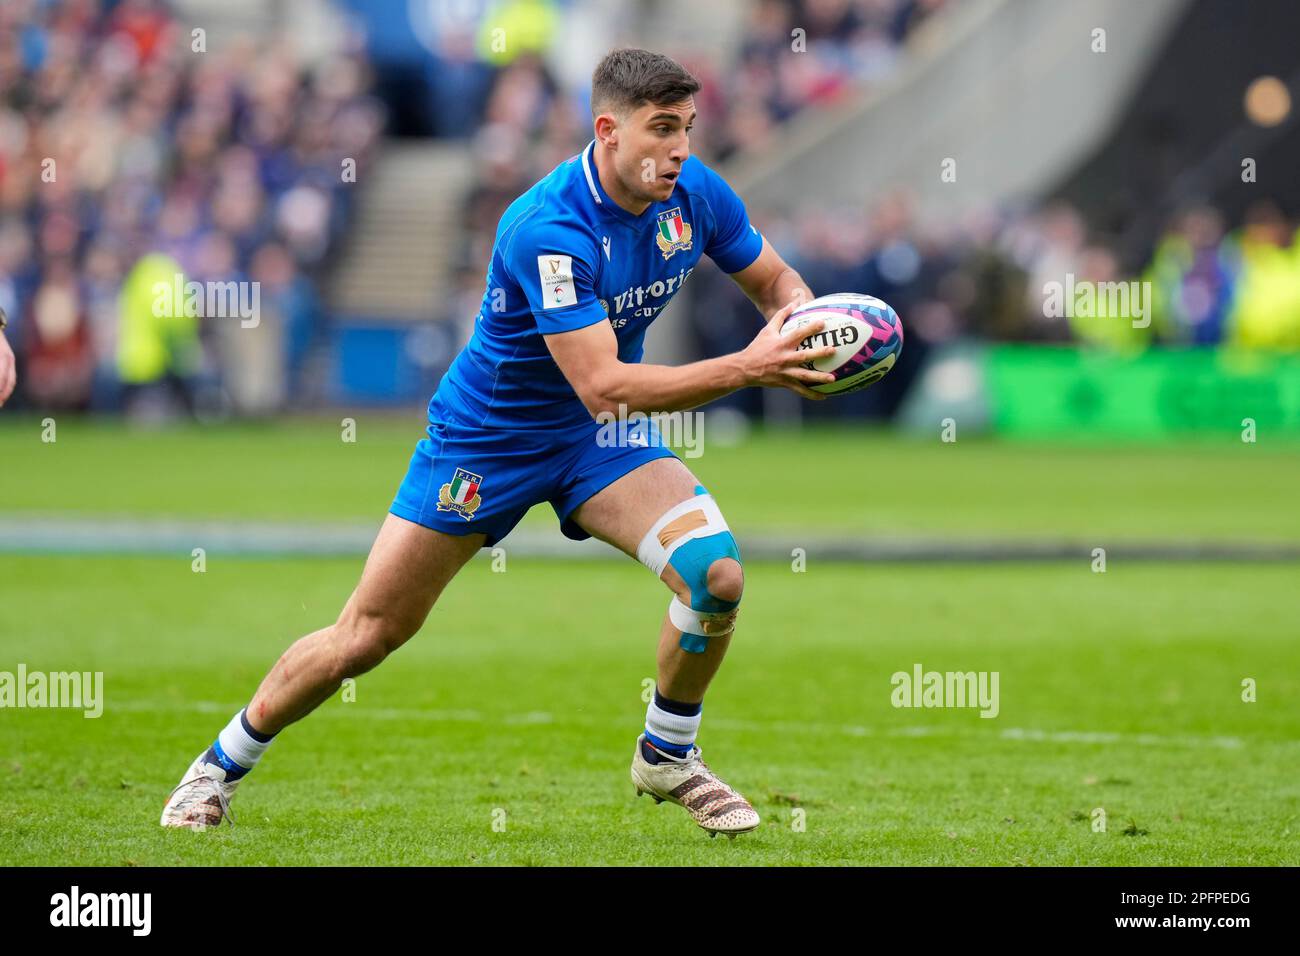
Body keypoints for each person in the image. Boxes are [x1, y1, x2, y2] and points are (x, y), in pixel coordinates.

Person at [161, 48, 835, 838]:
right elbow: (604, 381)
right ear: (608, 130)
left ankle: (668, 754)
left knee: (715, 576)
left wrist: (809, 325)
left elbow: (777, 283)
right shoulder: (546, 228)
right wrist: (753, 368)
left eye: (687, 127)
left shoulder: (696, 194)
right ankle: (219, 763)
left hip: (597, 442)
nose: (680, 148)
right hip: (486, 444)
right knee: (368, 637)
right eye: (661, 129)